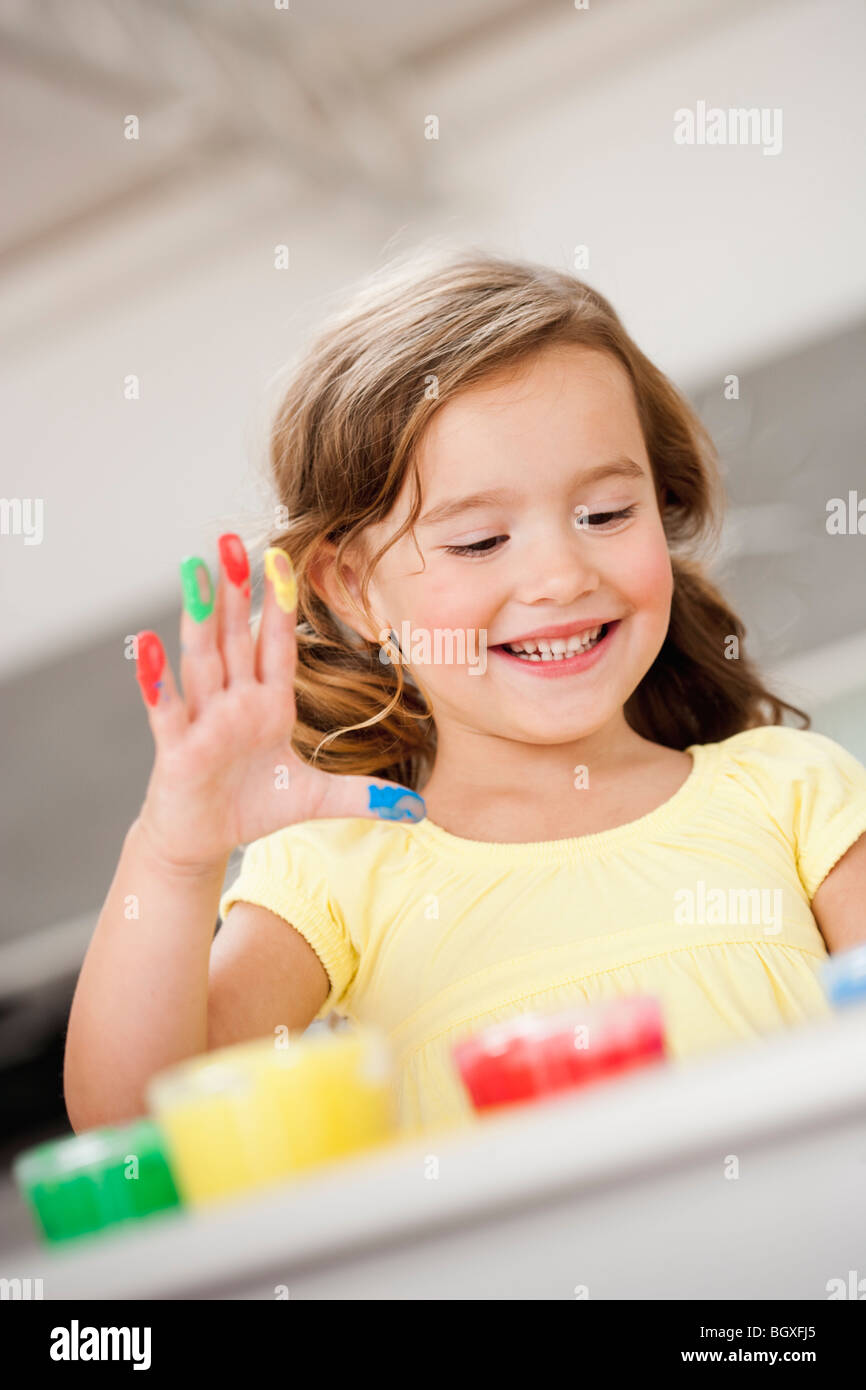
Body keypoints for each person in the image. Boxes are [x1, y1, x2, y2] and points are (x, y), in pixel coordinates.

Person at [64, 247, 866, 1136]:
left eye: (605, 514)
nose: (561, 576)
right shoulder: (344, 871)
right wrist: (174, 855)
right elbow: (134, 1122)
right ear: (353, 589)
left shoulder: (793, 795)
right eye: (481, 541)